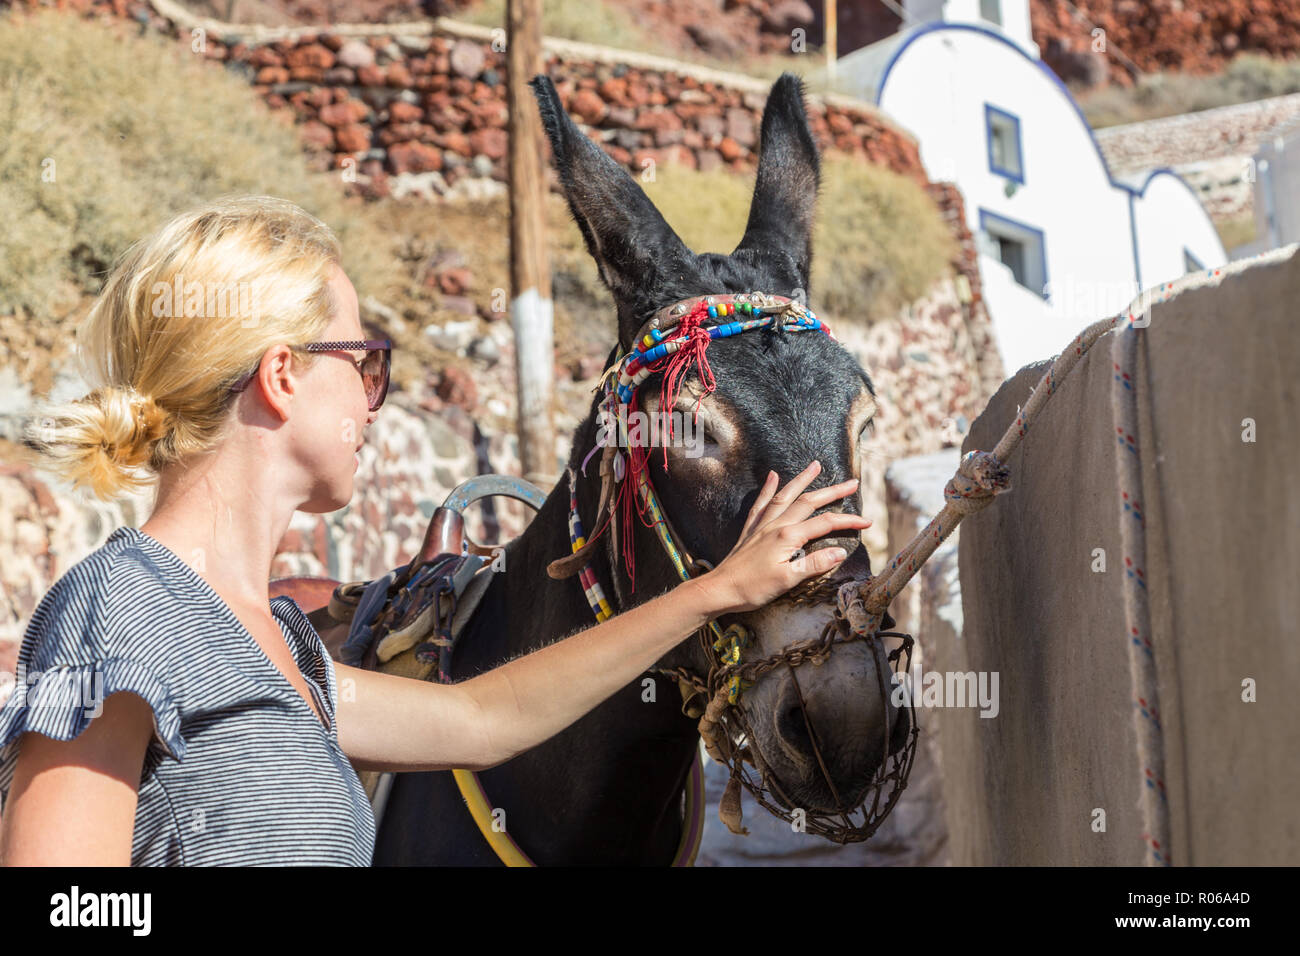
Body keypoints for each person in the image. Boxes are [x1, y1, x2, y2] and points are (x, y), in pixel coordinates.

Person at [0, 195, 870, 866]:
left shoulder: (288, 648)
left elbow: (484, 719)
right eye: (363, 362)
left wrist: (714, 592)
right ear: (282, 377)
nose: (377, 399)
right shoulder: (118, 615)